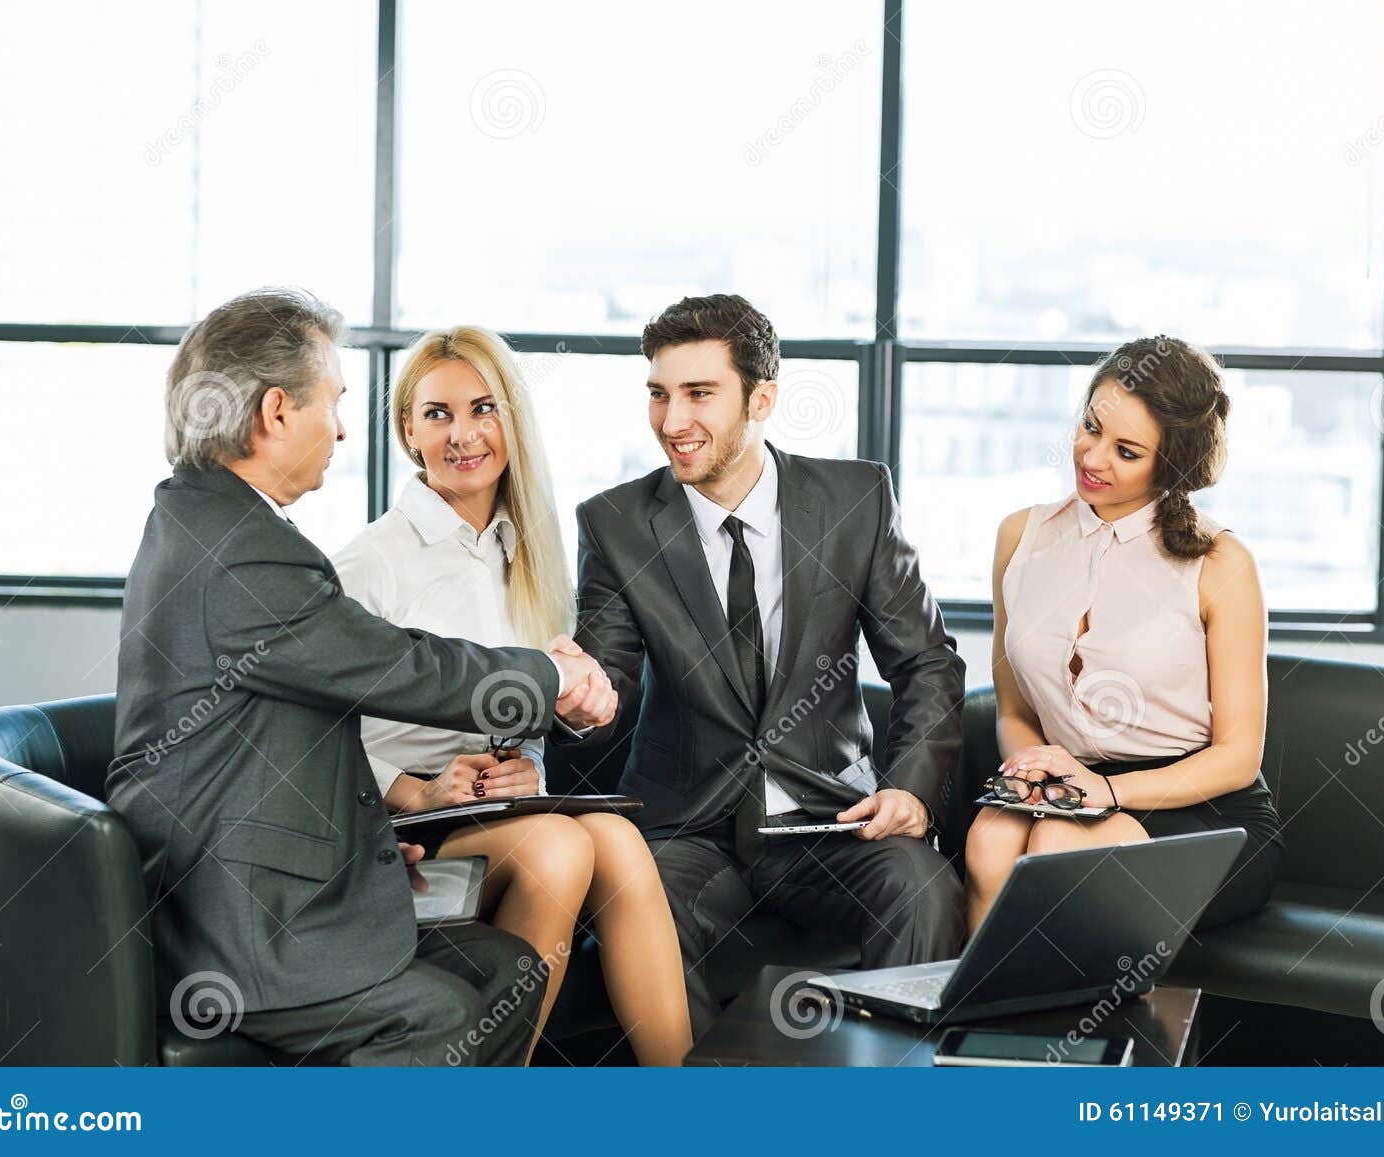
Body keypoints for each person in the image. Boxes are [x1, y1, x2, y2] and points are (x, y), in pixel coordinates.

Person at [107, 287, 611, 1066]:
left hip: (279, 878)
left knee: (510, 971)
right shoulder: (241, 548)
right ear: (277, 411)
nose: (343, 427)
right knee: (439, 1015)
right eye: (334, 402)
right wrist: (552, 672)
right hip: (241, 923)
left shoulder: (215, 519)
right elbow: (402, 666)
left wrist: (366, 842)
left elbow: (300, 723)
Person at [565, 293, 968, 1038]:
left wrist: (910, 786)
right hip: (686, 829)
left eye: (698, 394)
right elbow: (608, 689)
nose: (672, 421)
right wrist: (576, 694)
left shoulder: (857, 500)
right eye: (658, 393)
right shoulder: (615, 523)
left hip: (828, 820)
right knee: (640, 904)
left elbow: (927, 663)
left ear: (763, 398)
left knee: (924, 888)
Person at [332, 325, 691, 1066]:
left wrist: (531, 763)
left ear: (511, 421)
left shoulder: (528, 558)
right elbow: (313, 735)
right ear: (408, 431)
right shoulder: (369, 565)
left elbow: (521, 719)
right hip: (396, 839)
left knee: (616, 840)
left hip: (491, 816)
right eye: (437, 413)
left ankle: (684, 1098)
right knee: (557, 844)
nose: (462, 434)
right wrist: (415, 790)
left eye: (482, 408)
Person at [964, 335, 1283, 934]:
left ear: (1173, 463)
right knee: (988, 840)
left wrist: (1105, 791)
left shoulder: (1220, 562)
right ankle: (962, 1020)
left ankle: (1070, 1028)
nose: (1092, 457)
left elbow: (1239, 759)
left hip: (1202, 809)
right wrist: (1035, 770)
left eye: (1127, 451)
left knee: (1058, 847)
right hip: (1070, 786)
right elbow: (1012, 708)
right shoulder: (1020, 537)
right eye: (1090, 427)